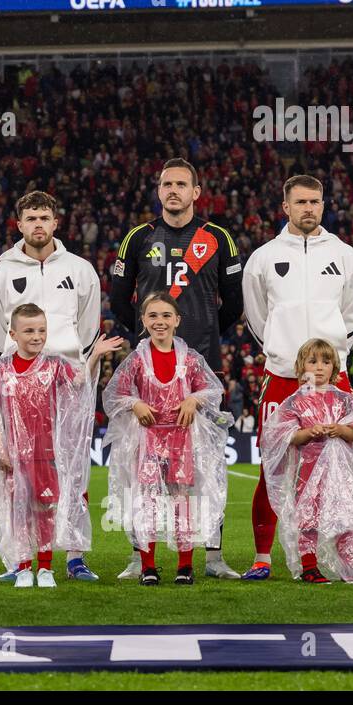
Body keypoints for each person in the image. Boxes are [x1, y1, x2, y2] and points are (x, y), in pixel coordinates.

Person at [109, 158, 244, 579]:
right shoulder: (138, 237)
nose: (173, 191)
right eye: (167, 183)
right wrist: (148, 339)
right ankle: (139, 556)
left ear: (196, 191)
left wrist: (200, 344)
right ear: (158, 189)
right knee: (142, 469)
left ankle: (214, 556)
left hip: (199, 373)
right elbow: (118, 300)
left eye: (181, 184)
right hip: (149, 373)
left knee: (206, 468)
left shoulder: (218, 237)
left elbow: (234, 304)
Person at [239, 175, 353, 579]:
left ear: (323, 205)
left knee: (340, 470)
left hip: (334, 380)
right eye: (301, 202)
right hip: (281, 377)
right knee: (272, 467)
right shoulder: (263, 257)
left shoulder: (345, 255)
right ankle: (262, 558)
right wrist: (282, 351)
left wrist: (327, 360)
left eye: (315, 201)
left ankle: (346, 554)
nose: (309, 208)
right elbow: (258, 317)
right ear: (286, 207)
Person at [0, 190, 103, 582]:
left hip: (67, 386)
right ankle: (18, 559)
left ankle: (73, 556)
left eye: (44, 217)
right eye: (31, 218)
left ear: (56, 222)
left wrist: (72, 364)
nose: (38, 224)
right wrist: (20, 369)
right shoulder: (2, 272)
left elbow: (87, 328)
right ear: (19, 224)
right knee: (17, 481)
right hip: (19, 389)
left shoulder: (81, 269)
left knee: (72, 473)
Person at [0, 304, 122, 588]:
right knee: (18, 511)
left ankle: (44, 567)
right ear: (13, 334)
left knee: (45, 509)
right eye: (29, 330)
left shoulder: (54, 364)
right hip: (13, 455)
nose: (36, 336)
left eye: (41, 330)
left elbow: (79, 385)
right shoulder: (1, 369)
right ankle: (23, 567)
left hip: (46, 453)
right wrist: (0, 448)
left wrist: (94, 357)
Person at [103, 292, 233, 586]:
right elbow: (114, 395)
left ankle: (184, 566)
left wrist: (194, 401)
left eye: (165, 316)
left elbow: (212, 390)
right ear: (143, 321)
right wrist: (134, 404)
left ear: (177, 320)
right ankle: (148, 566)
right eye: (153, 316)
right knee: (147, 503)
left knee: (181, 503)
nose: (159, 321)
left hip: (181, 440)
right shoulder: (136, 359)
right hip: (147, 440)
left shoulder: (190, 358)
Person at [260, 339, 353, 584]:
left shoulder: (344, 399)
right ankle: (309, 566)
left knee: (345, 517)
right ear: (300, 367)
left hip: (341, 474)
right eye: (313, 361)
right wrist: (308, 433)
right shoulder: (294, 402)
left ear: (334, 367)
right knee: (308, 518)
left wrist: (340, 429)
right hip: (308, 472)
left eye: (326, 362)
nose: (319, 367)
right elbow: (285, 435)